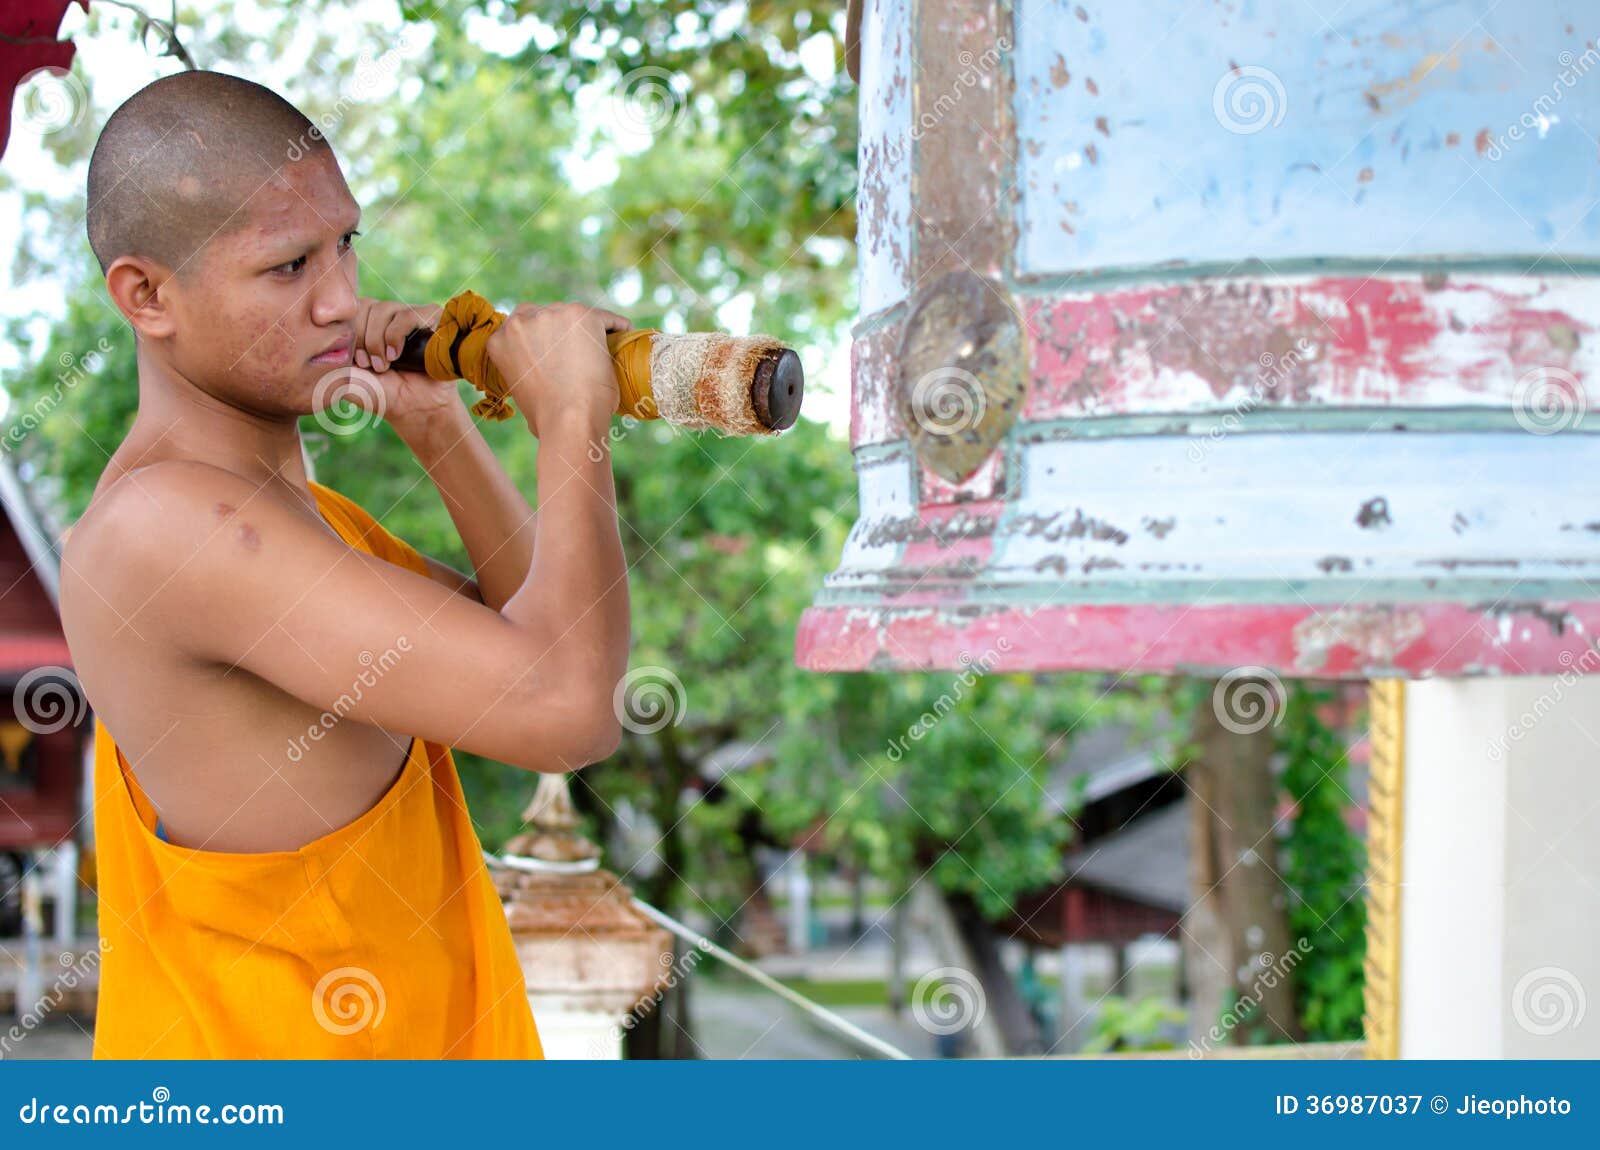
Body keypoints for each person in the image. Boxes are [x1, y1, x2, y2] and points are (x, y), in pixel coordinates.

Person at [58, 69, 632, 1058]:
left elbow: (545, 641)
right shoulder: (172, 528)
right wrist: (572, 418)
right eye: (287, 268)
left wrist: (442, 428)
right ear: (147, 296)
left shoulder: (296, 516)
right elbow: (566, 713)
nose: (342, 300)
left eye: (346, 244)